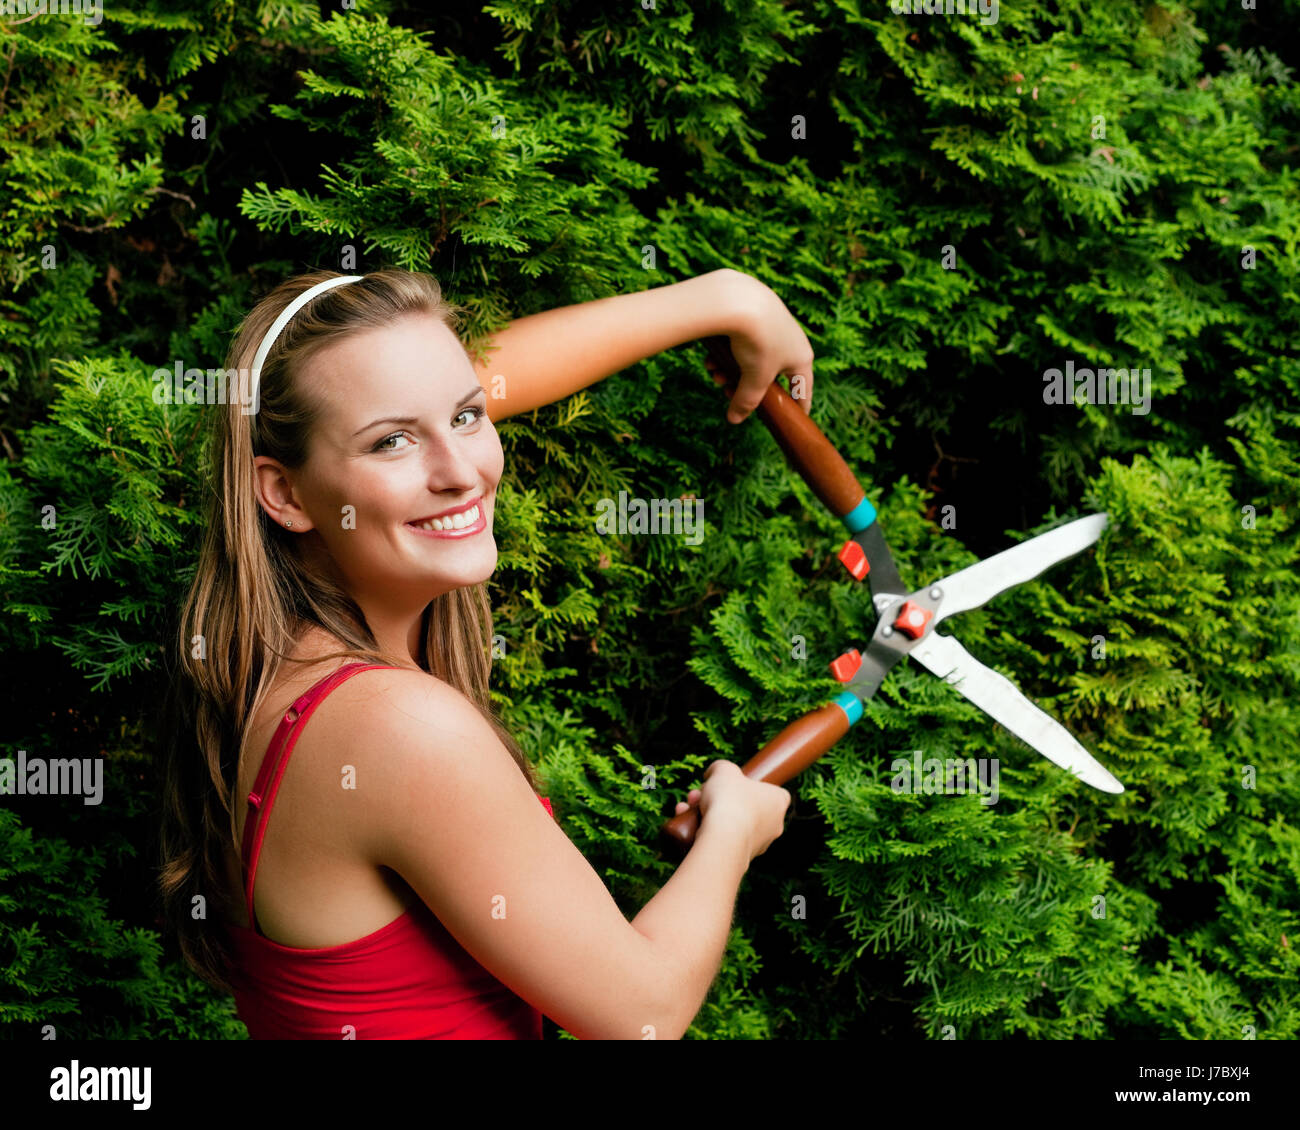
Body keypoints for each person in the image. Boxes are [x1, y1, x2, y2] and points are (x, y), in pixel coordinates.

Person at [156, 266, 814, 1039]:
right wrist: (732, 831)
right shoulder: (396, 727)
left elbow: (435, 389)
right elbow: (646, 1012)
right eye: (392, 442)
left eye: (470, 417)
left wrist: (723, 299)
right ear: (287, 495)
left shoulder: (274, 675)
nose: (462, 472)